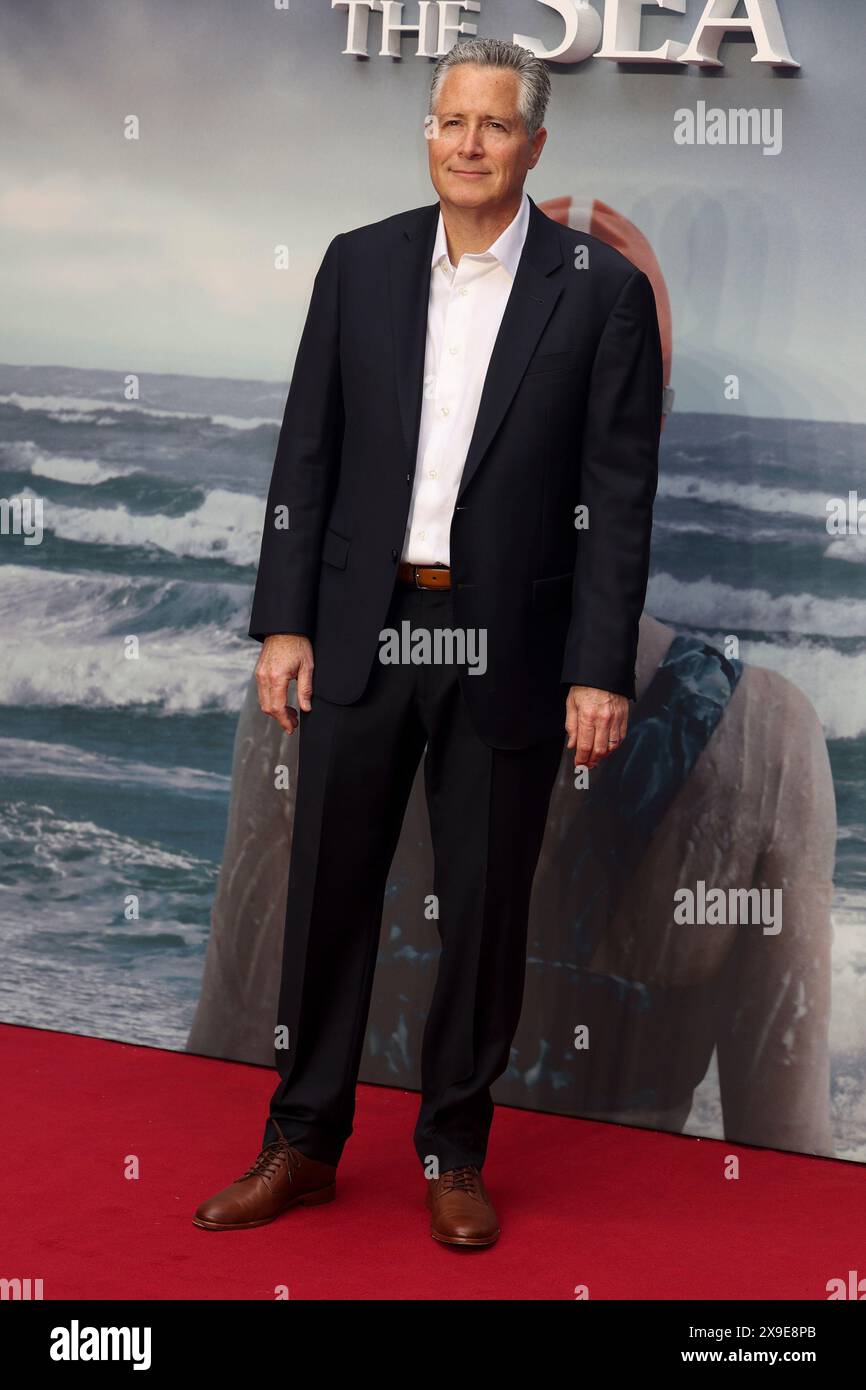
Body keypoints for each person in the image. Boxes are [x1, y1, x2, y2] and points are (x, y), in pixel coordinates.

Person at [193, 37, 663, 1247]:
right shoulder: (358, 266)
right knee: (326, 894)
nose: (466, 143)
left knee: (485, 902)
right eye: (448, 120)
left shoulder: (596, 291)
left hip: (503, 638)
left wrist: (597, 667)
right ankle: (299, 1142)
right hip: (363, 624)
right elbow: (307, 449)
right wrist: (285, 618)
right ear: (428, 132)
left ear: (534, 145)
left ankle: (454, 1144)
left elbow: (616, 498)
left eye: (493, 126)